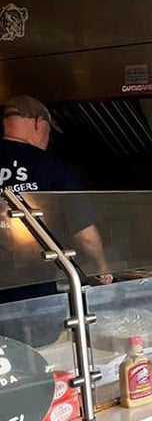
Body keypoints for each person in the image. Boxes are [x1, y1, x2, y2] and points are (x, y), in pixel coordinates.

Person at [0, 95, 113, 284]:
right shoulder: (50, 166)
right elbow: (84, 233)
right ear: (39, 123)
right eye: (49, 132)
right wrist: (101, 267)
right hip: (32, 287)